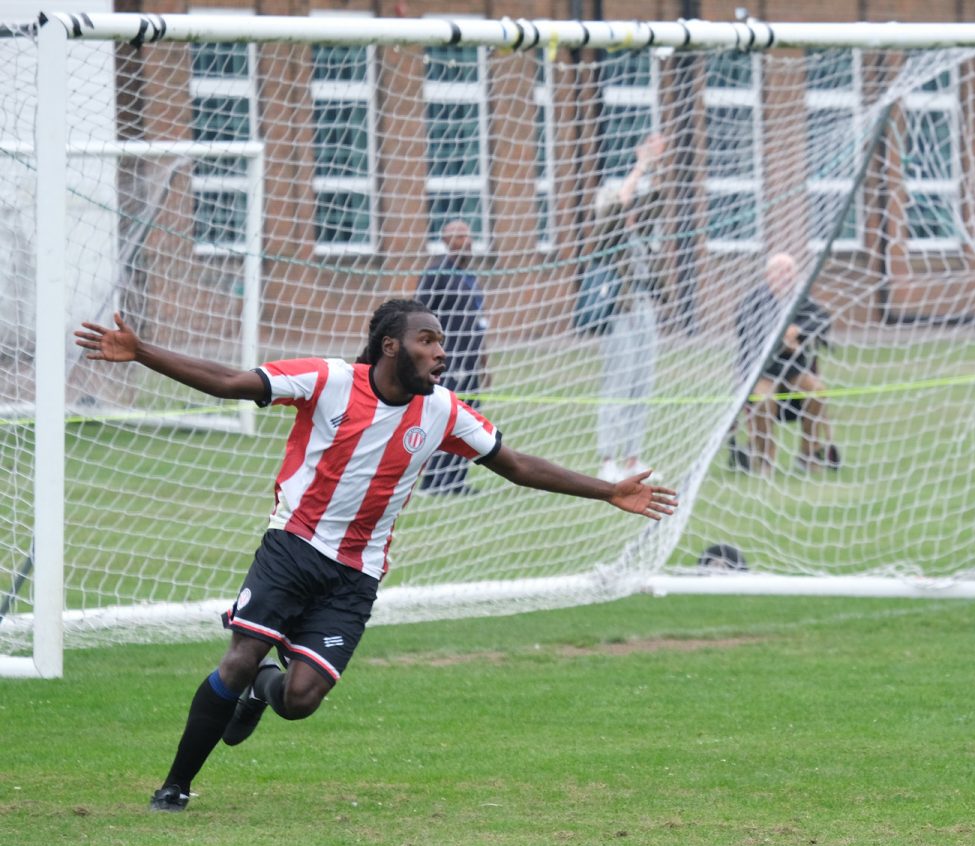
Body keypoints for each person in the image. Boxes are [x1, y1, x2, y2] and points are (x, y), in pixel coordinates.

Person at [74, 300, 678, 812]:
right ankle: (175, 788)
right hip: (293, 545)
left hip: (355, 576)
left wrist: (608, 491)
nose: (441, 351)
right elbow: (233, 382)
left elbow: (516, 466)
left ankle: (263, 690)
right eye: (428, 340)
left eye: (442, 341)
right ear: (390, 346)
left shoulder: (443, 411)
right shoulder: (328, 380)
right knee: (240, 654)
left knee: (302, 699)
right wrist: (144, 351)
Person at [592, 132, 667, 484]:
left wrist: (655, 164)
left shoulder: (644, 216)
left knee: (642, 382)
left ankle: (633, 457)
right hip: (618, 308)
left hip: (643, 304)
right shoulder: (609, 203)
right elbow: (617, 208)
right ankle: (608, 458)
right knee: (617, 383)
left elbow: (658, 198)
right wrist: (640, 166)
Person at [732, 252, 838, 476]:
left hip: (793, 371)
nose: (786, 276)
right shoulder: (753, 301)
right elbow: (749, 334)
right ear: (768, 275)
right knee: (763, 400)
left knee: (817, 392)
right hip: (763, 372)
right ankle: (764, 460)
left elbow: (822, 319)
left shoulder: (800, 299)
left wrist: (798, 331)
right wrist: (780, 339)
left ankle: (808, 454)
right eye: (780, 270)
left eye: (790, 270)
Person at [415, 218, 487, 495]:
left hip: (470, 361)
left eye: (468, 237)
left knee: (469, 421)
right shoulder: (437, 274)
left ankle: (457, 480)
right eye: (459, 238)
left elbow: (478, 321)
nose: (466, 243)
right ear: (446, 242)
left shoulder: (469, 277)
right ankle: (435, 481)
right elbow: (421, 316)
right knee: (445, 419)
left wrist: (483, 361)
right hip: (448, 361)